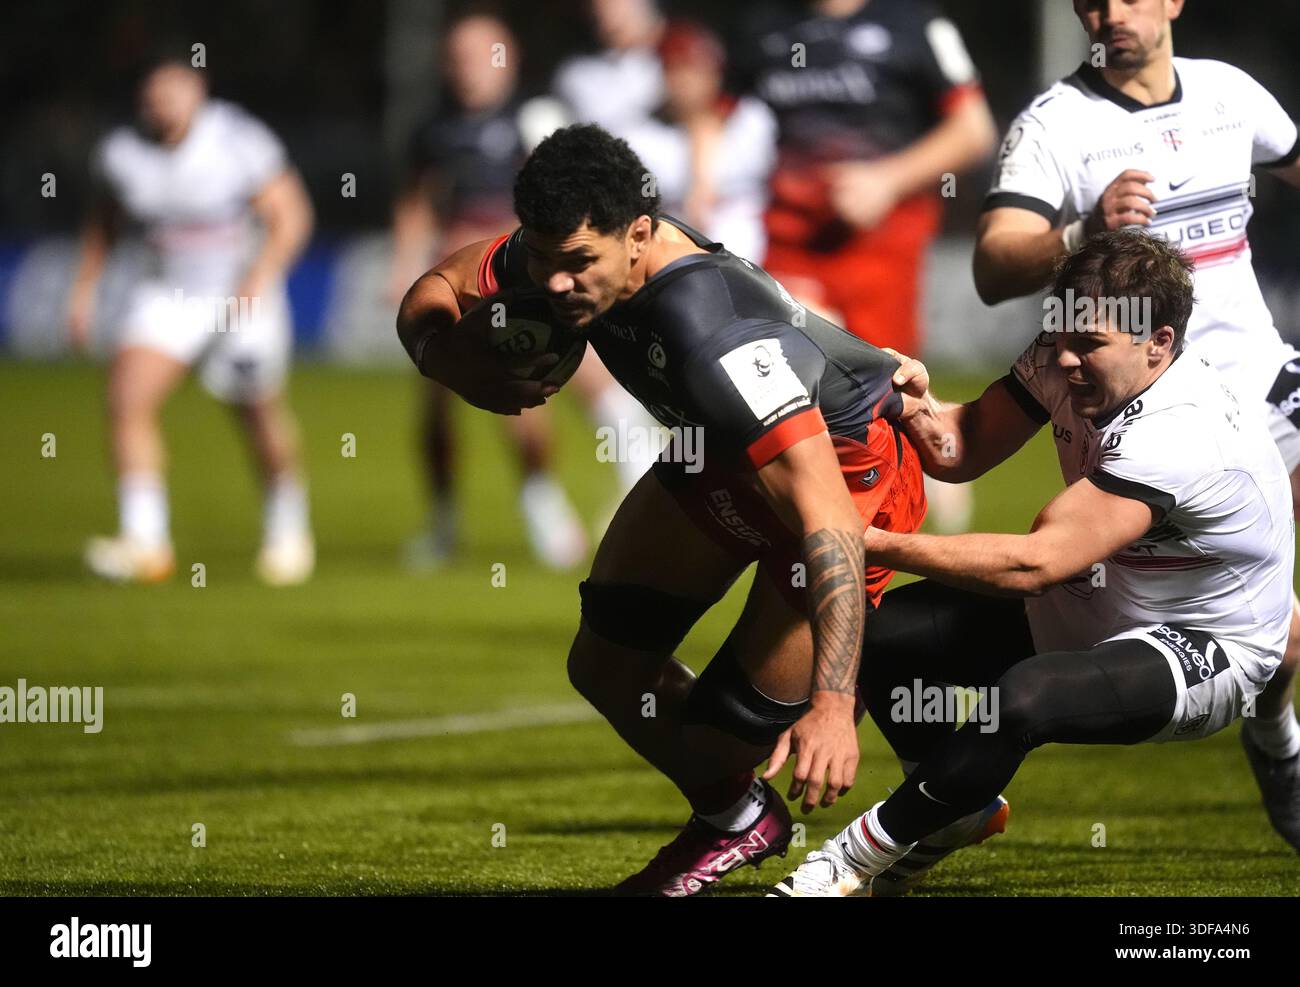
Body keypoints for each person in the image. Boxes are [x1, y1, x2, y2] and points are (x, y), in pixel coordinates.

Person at [396, 124, 928, 896]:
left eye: (578, 262)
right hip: (719, 447)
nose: (553, 285)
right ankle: (739, 817)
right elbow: (435, 291)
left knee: (721, 736)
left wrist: (834, 703)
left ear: (639, 234)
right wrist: (449, 364)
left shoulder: (708, 331)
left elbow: (830, 521)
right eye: (542, 260)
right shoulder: (556, 256)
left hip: (849, 476)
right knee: (604, 663)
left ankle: (942, 772)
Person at [770, 232, 1295, 895]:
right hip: (1098, 594)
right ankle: (955, 809)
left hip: (1204, 642)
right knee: (881, 633)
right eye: (1061, 335)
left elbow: (1034, 563)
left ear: (1159, 343)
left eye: (1091, 345)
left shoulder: (1182, 430)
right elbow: (960, 447)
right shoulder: (1065, 353)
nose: (1067, 359)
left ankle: (842, 864)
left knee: (1024, 697)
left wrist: (860, 540)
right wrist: (906, 402)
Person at [973, 0, 1300, 849]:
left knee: (1283, 620)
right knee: (1275, 620)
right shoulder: (1059, 122)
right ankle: (1268, 730)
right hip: (1161, 415)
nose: (1108, 13)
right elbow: (991, 265)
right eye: (1089, 1)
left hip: (1263, 386)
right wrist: (1080, 228)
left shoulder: (1231, 94)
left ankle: (1270, 730)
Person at [735, 0, 998, 534]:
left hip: (882, 237)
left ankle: (928, 472)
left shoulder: (914, 24)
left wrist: (889, 179)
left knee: (885, 378)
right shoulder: (764, 29)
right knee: (779, 360)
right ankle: (784, 512)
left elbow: (974, 130)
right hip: (790, 238)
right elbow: (716, 115)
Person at [68, 56, 315, 586]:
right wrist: (84, 290)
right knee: (127, 398)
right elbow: (104, 225)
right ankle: (146, 543)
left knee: (256, 412)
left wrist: (260, 277)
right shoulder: (122, 152)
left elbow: (291, 215)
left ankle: (288, 528)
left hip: (239, 290)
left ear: (197, 89)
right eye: (153, 93)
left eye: (174, 90)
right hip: (167, 292)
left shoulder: (236, 140)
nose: (163, 103)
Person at [621, 19, 777, 263]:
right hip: (671, 254)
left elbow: (757, 177)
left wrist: (704, 137)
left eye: (696, 69)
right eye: (676, 69)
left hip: (757, 254)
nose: (687, 81)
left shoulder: (750, 118)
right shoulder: (639, 134)